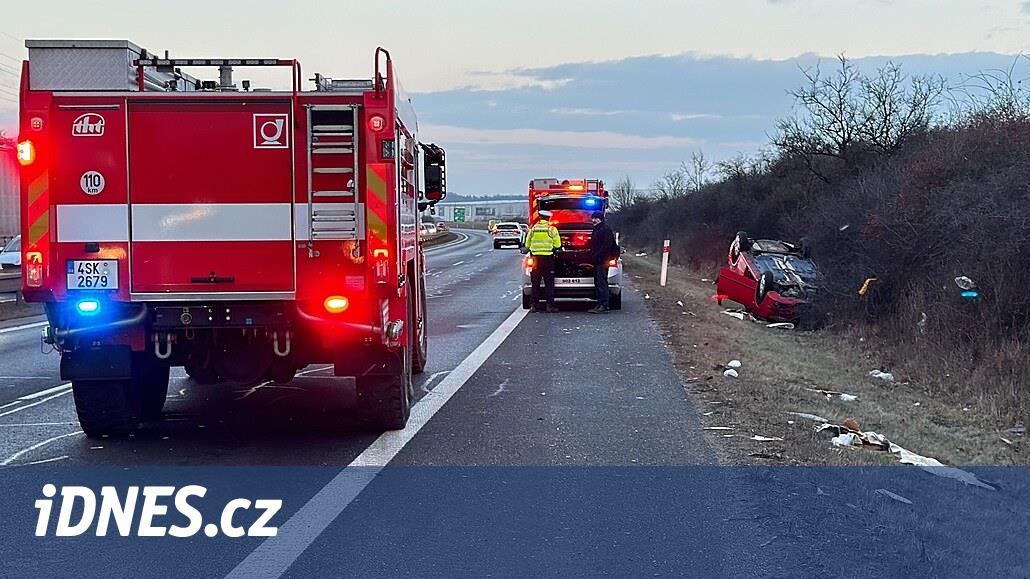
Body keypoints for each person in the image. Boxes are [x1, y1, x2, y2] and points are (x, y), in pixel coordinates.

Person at [525, 210, 562, 313]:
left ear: (540, 218)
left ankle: (534, 305)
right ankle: (549, 306)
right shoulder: (551, 229)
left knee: (535, 283)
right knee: (549, 283)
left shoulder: (533, 229)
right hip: (547, 259)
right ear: (548, 219)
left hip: (536, 259)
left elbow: (527, 245)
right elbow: (558, 245)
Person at [585, 211, 618, 313]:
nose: (593, 220)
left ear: (601, 219)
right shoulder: (597, 229)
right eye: (593, 218)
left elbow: (606, 246)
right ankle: (599, 304)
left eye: (596, 218)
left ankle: (603, 305)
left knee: (601, 283)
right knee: (598, 283)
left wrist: (597, 256)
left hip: (602, 261)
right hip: (598, 261)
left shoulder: (605, 230)